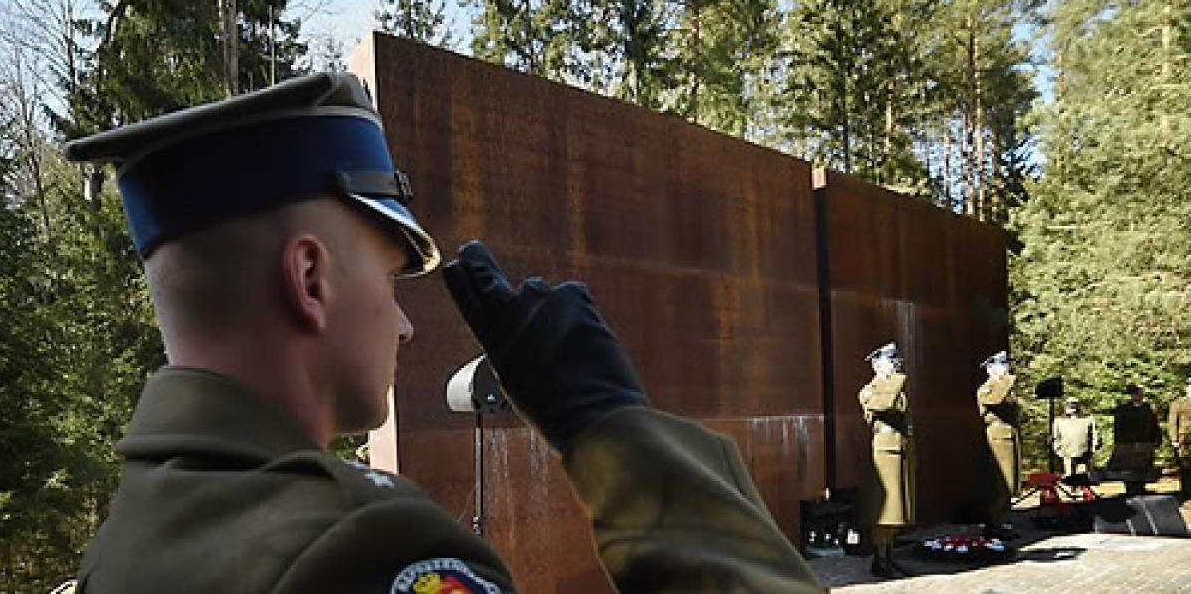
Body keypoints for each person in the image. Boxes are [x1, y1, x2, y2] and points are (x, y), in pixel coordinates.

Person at [62, 72, 823, 593]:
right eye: (392, 281)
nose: (403, 327)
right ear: (311, 280)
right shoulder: (369, 549)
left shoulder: (122, 542)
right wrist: (611, 427)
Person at [857, 342, 915, 579]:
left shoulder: (894, 389)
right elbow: (885, 404)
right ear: (877, 365)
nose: (896, 366)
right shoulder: (869, 391)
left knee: (897, 511)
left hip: (899, 451)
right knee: (886, 511)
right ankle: (879, 559)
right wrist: (895, 378)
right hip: (885, 452)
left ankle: (889, 555)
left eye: (896, 362)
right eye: (891, 362)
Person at [975, 350, 1020, 537]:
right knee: (998, 484)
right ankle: (992, 524)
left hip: (1008, 435)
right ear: (991, 369)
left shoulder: (1004, 389)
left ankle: (1000, 522)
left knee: (1009, 484)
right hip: (997, 437)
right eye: (1003, 365)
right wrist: (1006, 381)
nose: (1007, 369)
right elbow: (995, 401)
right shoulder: (987, 389)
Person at [1110, 384, 1162, 495]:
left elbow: (1154, 426)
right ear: (1132, 395)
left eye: (1140, 394)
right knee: (1128, 470)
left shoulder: (1148, 410)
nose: (1139, 396)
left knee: (1143, 469)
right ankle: (1129, 489)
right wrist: (1119, 444)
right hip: (1128, 446)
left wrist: (1157, 440)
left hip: (1145, 445)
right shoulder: (1122, 410)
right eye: (1137, 394)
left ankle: (1141, 489)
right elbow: (1118, 429)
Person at [1052, 397, 1101, 478]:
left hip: (1084, 454)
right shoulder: (1059, 421)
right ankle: (1072, 490)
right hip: (1066, 453)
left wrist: (1093, 448)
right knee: (1069, 477)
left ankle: (1081, 490)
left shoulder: (1088, 419)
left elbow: (1095, 435)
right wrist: (1058, 451)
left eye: (1073, 406)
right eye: (1069, 406)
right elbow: (1055, 437)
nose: (1072, 408)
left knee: (1082, 478)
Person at [1167, 376, 1191, 503]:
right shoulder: (1178, 404)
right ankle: (1185, 493)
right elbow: (1172, 423)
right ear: (1186, 388)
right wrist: (1174, 439)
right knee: (1185, 469)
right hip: (1183, 441)